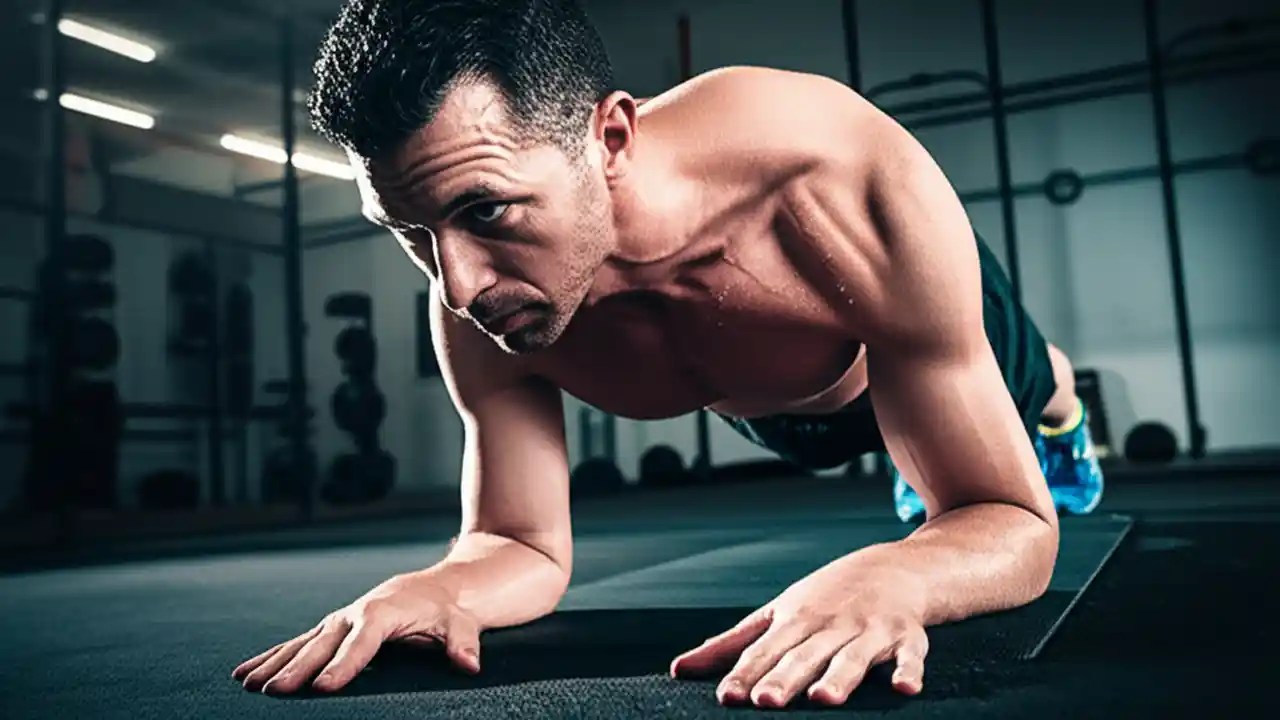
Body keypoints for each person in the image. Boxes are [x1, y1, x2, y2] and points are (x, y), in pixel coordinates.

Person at [232, 0, 1104, 709]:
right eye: (411, 232)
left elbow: (1012, 519)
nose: (456, 287)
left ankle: (1059, 415)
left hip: (886, 352)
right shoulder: (477, 298)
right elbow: (517, 541)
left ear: (609, 139)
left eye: (487, 211)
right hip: (770, 408)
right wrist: (441, 589)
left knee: (1026, 394)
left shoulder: (835, 181)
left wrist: (899, 575)